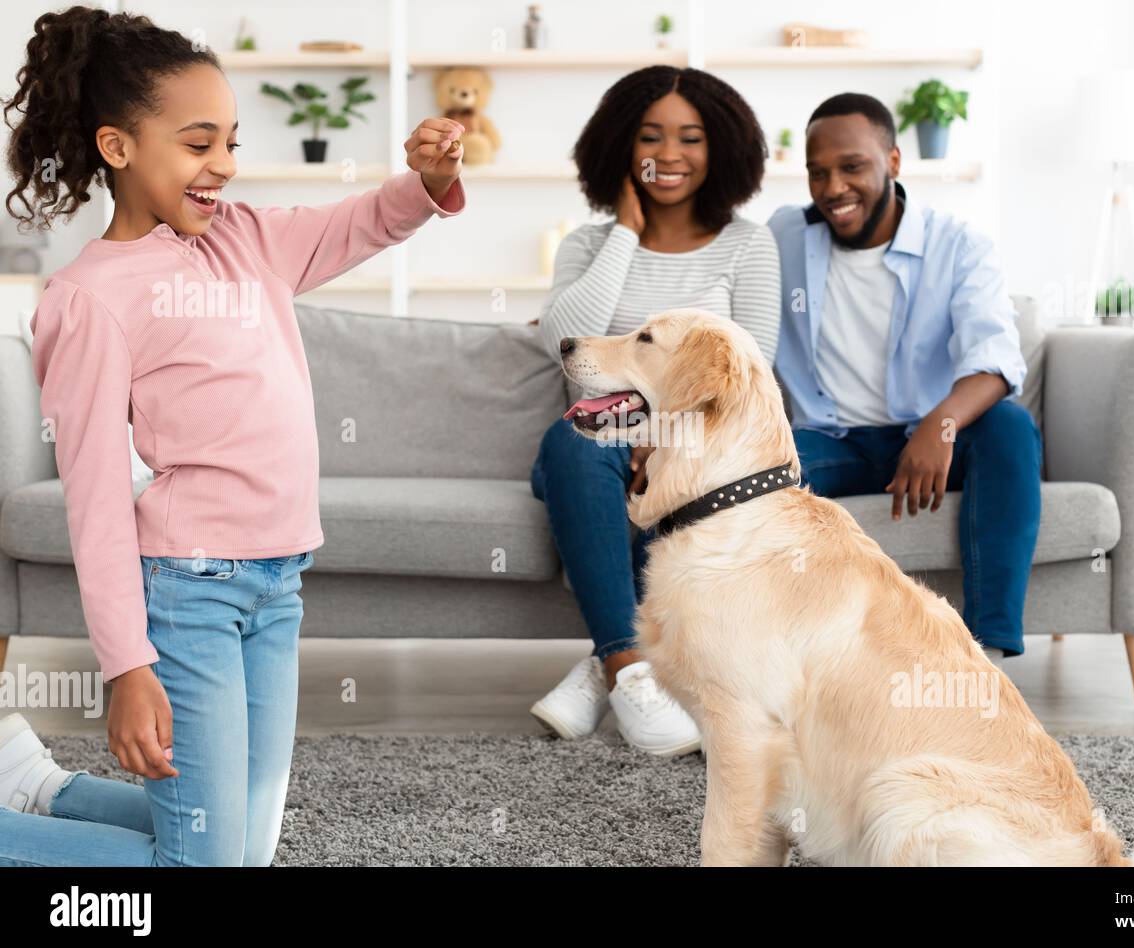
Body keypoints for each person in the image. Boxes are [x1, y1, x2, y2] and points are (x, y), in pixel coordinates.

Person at [0, 5, 467, 865]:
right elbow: (97, 500)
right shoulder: (90, 298)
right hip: (191, 591)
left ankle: (40, 789)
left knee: (238, 850)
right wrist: (125, 668)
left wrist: (426, 180)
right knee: (202, 863)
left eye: (231, 144)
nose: (222, 166)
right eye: (198, 143)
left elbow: (359, 224)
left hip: (278, 585)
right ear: (118, 148)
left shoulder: (247, 239)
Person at [530, 66, 781, 755]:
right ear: (619, 146)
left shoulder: (748, 245)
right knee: (573, 444)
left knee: (670, 480)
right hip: (597, 445)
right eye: (650, 137)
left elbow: (748, 373)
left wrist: (666, 437)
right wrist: (625, 232)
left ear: (721, 147)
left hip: (702, 452)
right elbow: (566, 348)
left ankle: (607, 666)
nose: (669, 155)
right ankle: (628, 668)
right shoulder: (587, 244)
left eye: (691, 138)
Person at [768, 92, 1041, 660]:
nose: (833, 188)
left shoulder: (959, 246)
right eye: (818, 173)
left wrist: (940, 424)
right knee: (752, 472)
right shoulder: (785, 237)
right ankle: (765, 669)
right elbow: (720, 289)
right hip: (827, 440)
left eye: (852, 167)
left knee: (1009, 429)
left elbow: (995, 361)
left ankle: (985, 656)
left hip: (929, 436)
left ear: (893, 161)